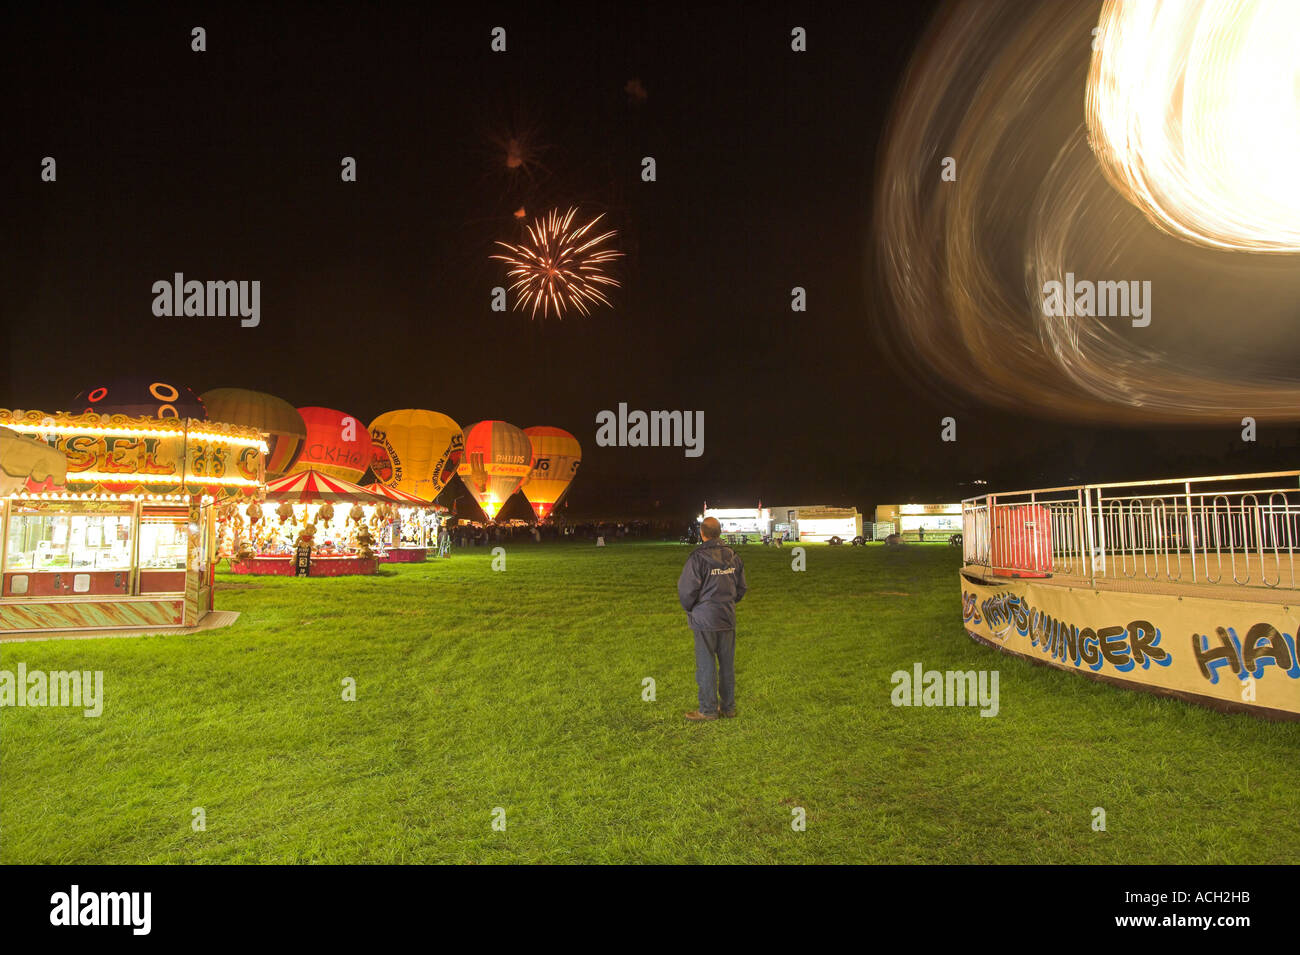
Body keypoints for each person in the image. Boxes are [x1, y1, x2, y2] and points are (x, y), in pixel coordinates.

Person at [676, 516, 747, 721]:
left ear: (702, 533)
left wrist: (692, 609)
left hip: (705, 620)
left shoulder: (697, 558)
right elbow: (741, 588)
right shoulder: (733, 556)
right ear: (720, 532)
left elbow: (686, 591)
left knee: (706, 664)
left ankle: (707, 710)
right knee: (727, 664)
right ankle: (728, 708)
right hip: (726, 618)